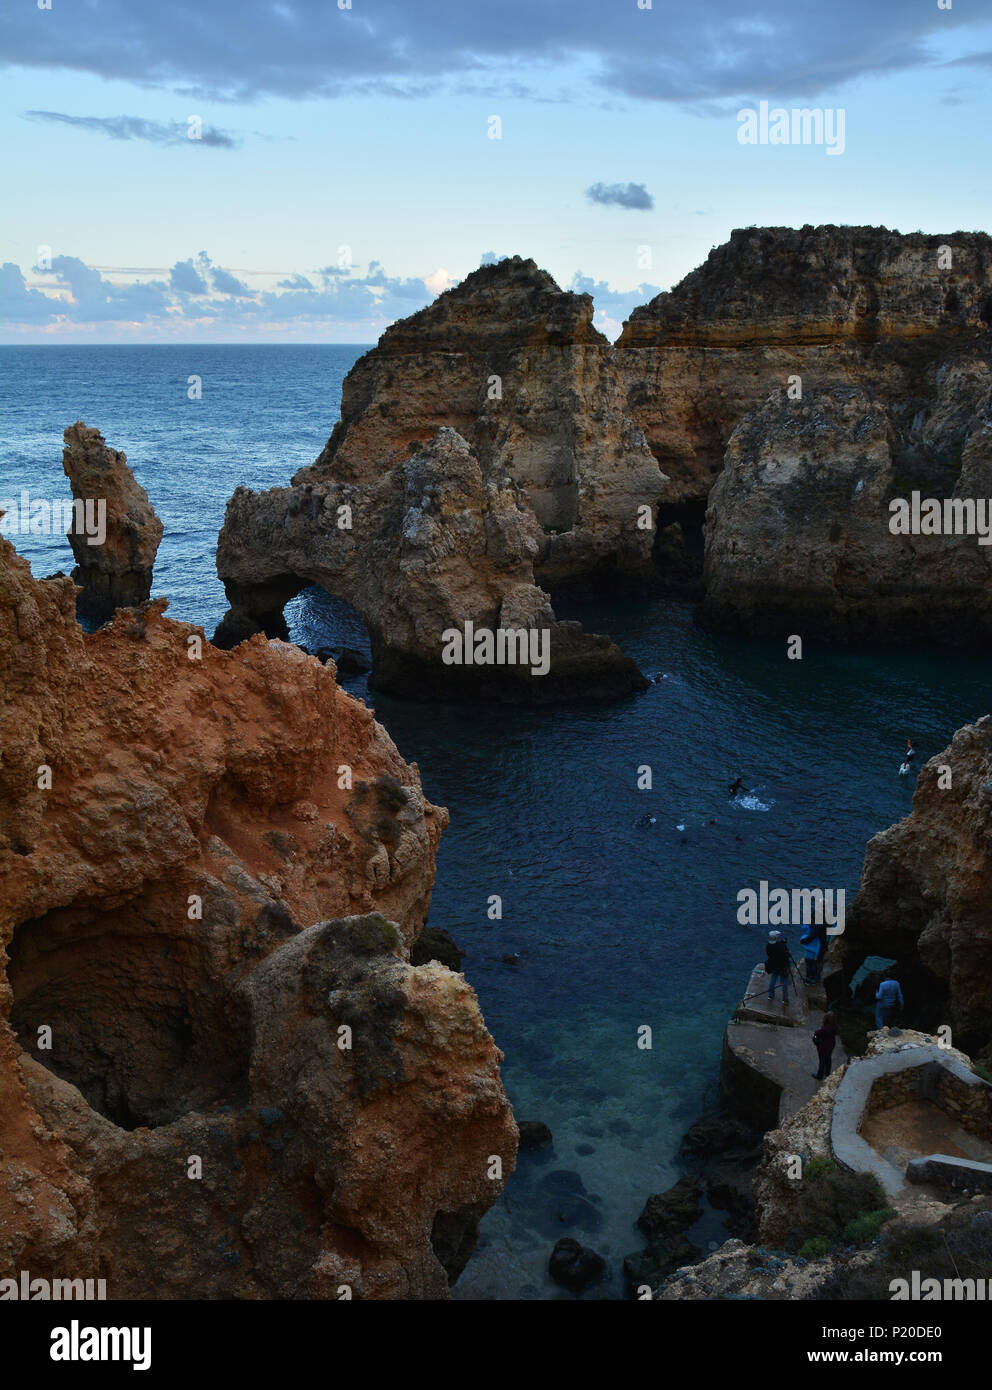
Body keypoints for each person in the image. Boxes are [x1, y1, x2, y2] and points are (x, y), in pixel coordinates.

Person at [765, 930, 791, 1005]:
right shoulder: (781, 946)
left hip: (774, 966)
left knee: (773, 979)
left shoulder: (768, 945)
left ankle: (770, 995)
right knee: (784, 982)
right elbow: (786, 956)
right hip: (782, 967)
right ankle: (785, 999)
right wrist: (788, 952)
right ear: (776, 938)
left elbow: (769, 954)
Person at [812, 1012, 838, 1080]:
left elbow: (816, 1033)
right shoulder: (835, 1027)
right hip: (831, 1045)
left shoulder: (824, 1029)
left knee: (822, 1061)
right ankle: (827, 1073)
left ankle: (819, 1075)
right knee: (828, 1059)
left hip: (823, 1046)